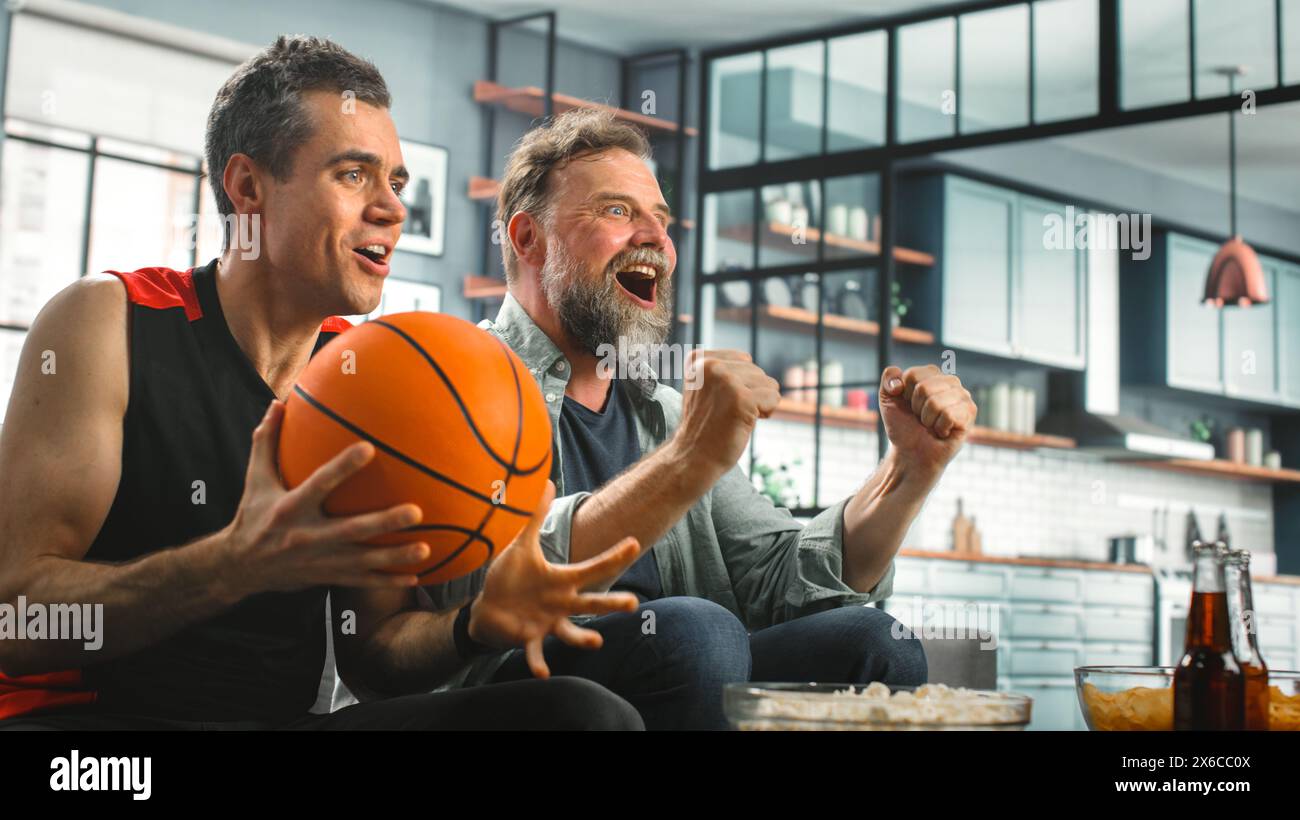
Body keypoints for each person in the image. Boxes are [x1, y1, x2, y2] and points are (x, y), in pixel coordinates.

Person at [0, 36, 644, 731]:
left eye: (396, 182)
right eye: (352, 175)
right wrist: (230, 566)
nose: (392, 210)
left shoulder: (369, 373)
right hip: (89, 730)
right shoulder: (109, 321)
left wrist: (474, 627)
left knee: (581, 716)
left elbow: (371, 658)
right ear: (248, 188)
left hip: (280, 724)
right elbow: (17, 618)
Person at [426, 108, 979, 730]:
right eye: (616, 211)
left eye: (661, 221)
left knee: (878, 642)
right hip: (515, 683)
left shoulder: (665, 415)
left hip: (683, 673)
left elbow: (779, 580)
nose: (656, 240)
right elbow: (483, 579)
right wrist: (689, 459)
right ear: (527, 239)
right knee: (697, 631)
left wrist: (908, 469)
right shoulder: (459, 381)